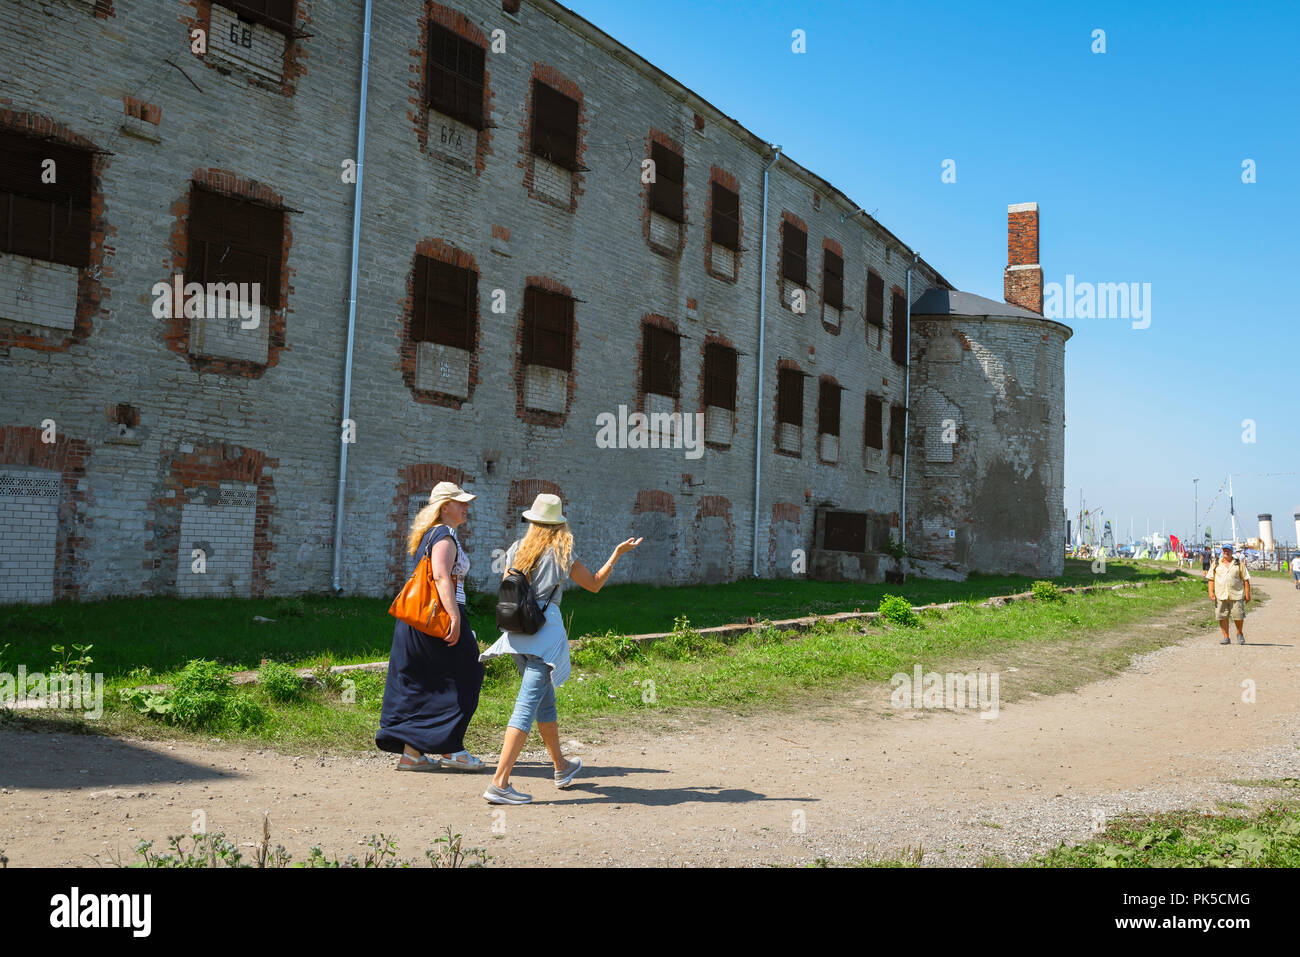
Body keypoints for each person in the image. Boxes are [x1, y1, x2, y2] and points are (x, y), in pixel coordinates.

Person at [479, 493, 642, 805]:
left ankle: (561, 767)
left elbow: (508, 586)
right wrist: (617, 554)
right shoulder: (561, 549)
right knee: (526, 707)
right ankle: (499, 783)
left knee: (544, 702)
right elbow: (594, 584)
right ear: (559, 523)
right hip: (544, 635)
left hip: (517, 633)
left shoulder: (517, 549)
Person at [376, 481, 486, 771]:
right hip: (439, 618)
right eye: (460, 502)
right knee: (469, 674)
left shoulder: (431, 534)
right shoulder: (444, 536)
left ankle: (412, 753)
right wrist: (455, 617)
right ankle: (452, 751)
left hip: (420, 620)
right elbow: (439, 576)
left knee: (428, 681)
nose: (466, 506)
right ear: (444, 507)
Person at [1208, 543, 1251, 645]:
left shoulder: (1238, 564)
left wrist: (1247, 593)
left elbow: (1246, 579)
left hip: (1236, 594)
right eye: (1224, 550)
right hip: (1221, 594)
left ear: (1232, 552)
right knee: (1222, 616)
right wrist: (1210, 591)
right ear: (1222, 551)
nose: (1226, 552)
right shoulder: (1216, 563)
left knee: (1238, 615)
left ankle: (1239, 633)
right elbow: (1211, 579)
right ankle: (1226, 637)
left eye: (1228, 550)